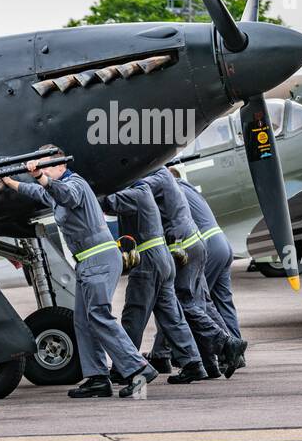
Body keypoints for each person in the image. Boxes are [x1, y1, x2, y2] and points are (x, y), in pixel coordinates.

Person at [0, 149, 155, 398]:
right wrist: (11, 182)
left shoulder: (74, 184)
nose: (45, 172)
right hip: (86, 261)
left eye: (48, 167)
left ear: (61, 166)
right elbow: (39, 192)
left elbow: (66, 196)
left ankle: (137, 367)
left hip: (99, 257)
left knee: (99, 315)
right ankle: (97, 377)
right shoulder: (55, 190)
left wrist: (40, 176)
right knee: (82, 321)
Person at [142, 166, 246, 378]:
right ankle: (231, 354)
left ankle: (166, 354)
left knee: (181, 302)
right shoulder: (187, 187)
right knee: (216, 301)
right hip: (220, 242)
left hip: (200, 245)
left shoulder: (170, 191)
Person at [100, 181, 208, 384]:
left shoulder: (136, 192)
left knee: (134, 315)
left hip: (148, 260)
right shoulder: (142, 191)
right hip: (162, 259)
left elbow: (105, 203)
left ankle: (125, 367)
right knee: (171, 315)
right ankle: (193, 363)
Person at [171, 164, 242, 342]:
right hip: (222, 243)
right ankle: (236, 344)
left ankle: (181, 351)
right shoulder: (189, 188)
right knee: (223, 300)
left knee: (191, 301)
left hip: (209, 246)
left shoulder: (174, 192)